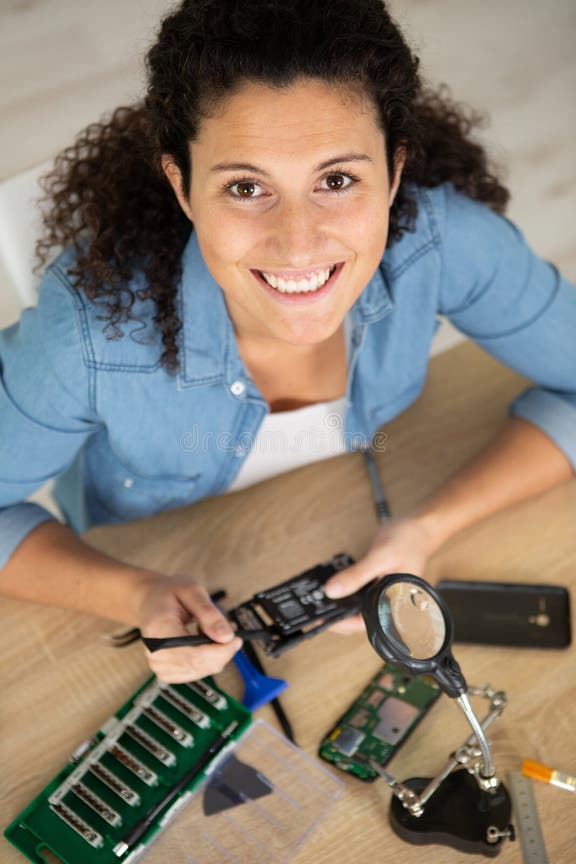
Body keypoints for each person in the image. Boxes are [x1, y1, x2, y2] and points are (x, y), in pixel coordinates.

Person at [1, 0, 574, 684]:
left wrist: (428, 528)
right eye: (246, 187)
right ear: (182, 187)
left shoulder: (443, 241)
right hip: (154, 554)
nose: (298, 244)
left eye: (336, 180)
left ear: (393, 174)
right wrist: (135, 594)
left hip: (349, 503)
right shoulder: (90, 335)